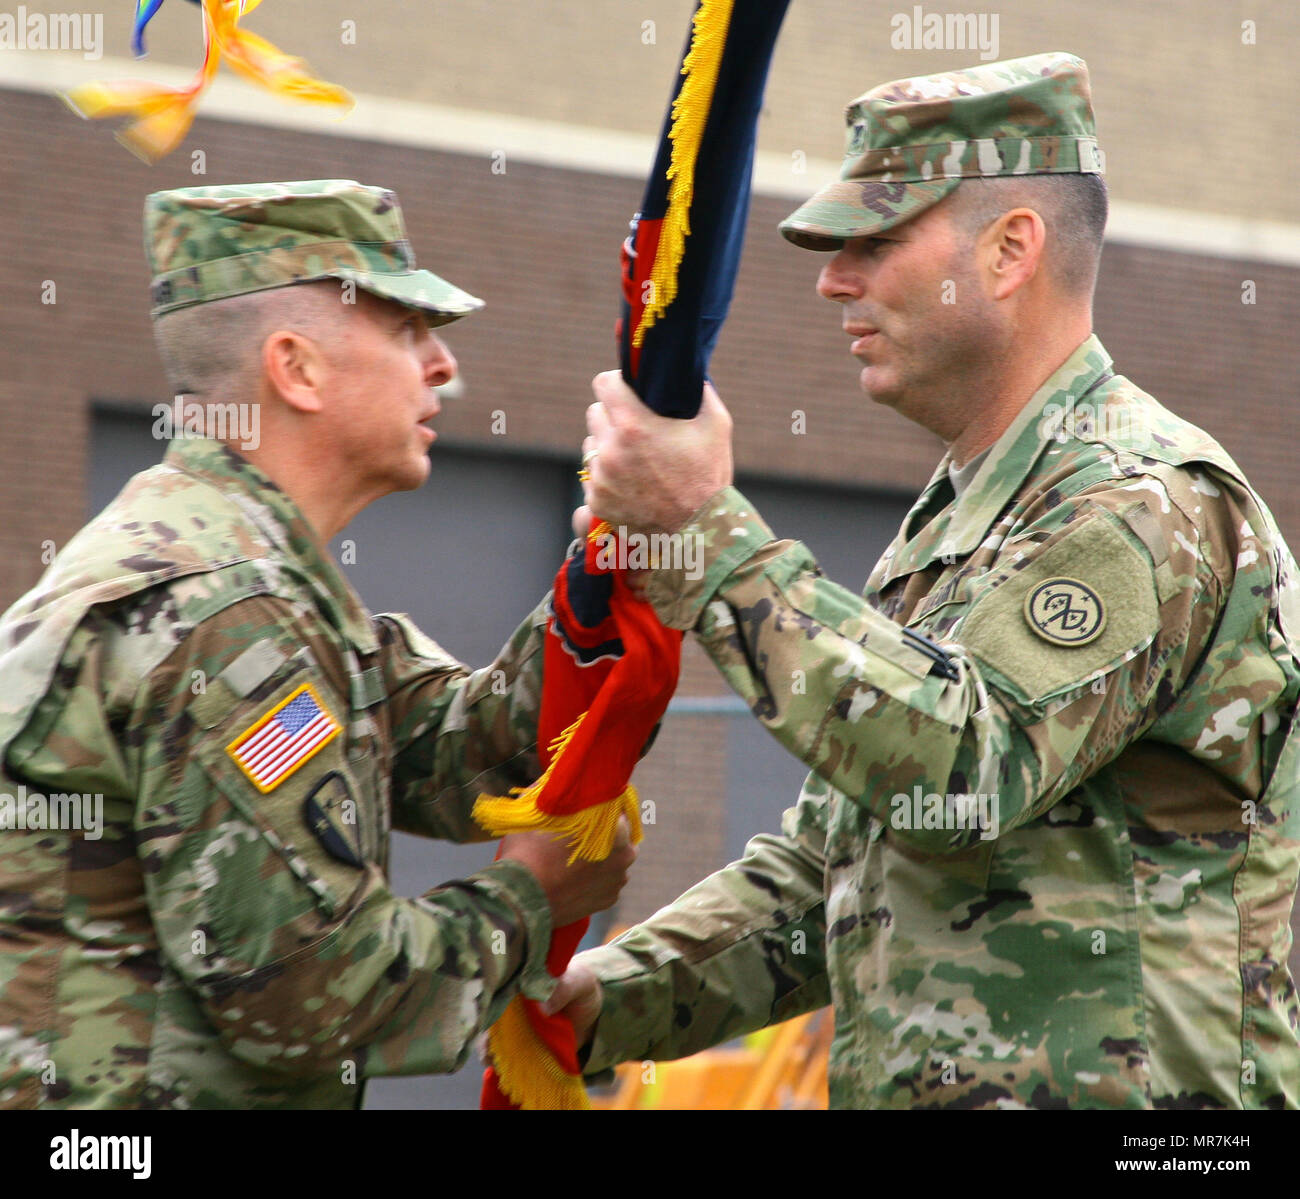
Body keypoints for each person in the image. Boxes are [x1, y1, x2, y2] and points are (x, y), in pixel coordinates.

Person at [556, 52, 1300, 1109]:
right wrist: (592, 1000)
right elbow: (829, 873)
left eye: (875, 240)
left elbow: (962, 768)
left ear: (1008, 250)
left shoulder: (1143, 500)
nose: (832, 277)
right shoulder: (959, 521)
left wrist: (702, 530)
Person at [0, 179, 635, 1110]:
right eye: (408, 330)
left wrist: (620, 551)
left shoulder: (249, 572)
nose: (444, 365)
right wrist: (532, 898)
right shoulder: (224, 612)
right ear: (296, 369)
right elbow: (312, 996)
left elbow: (479, 745)